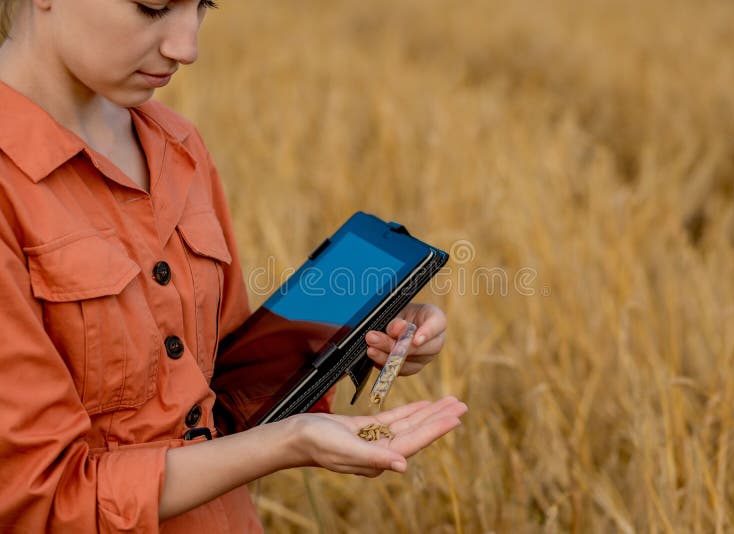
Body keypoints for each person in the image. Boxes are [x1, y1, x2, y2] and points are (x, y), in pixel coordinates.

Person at [0, 0, 467, 532]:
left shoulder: (178, 146)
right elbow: (42, 499)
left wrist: (363, 330)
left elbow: (227, 397)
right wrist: (284, 445)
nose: (187, 47)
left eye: (204, 5)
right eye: (153, 7)